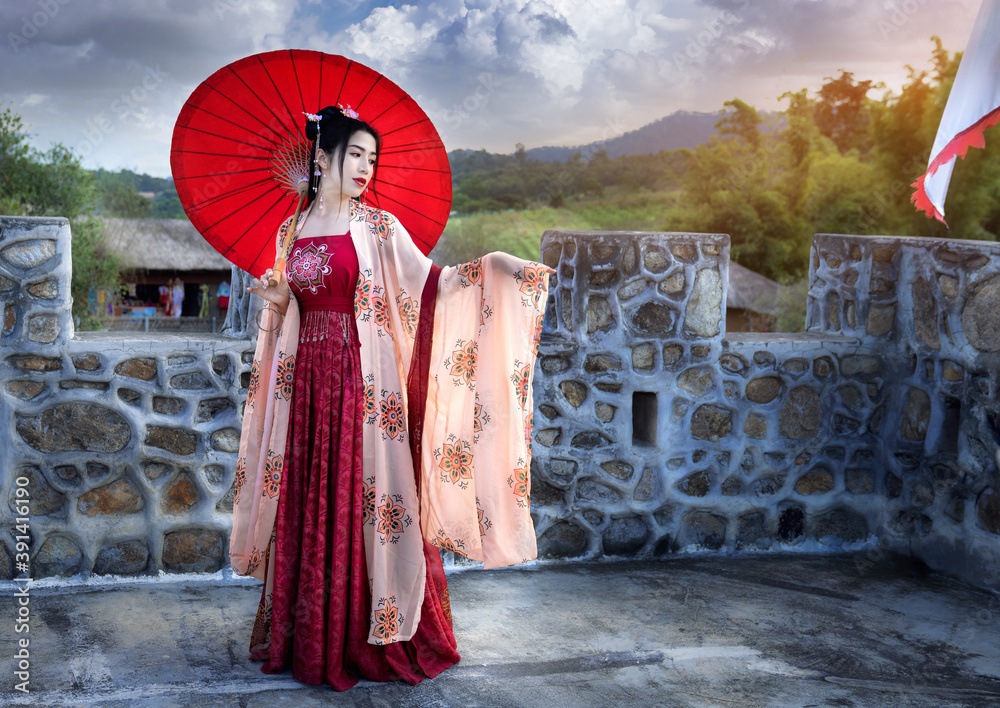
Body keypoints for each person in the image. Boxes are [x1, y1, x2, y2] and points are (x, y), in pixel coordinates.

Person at [230, 105, 551, 691]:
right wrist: (278, 300)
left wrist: (491, 270)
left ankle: (366, 639)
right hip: (305, 386)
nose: (366, 169)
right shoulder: (289, 231)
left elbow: (433, 286)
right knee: (311, 500)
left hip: (361, 384)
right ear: (321, 157)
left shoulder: (378, 229)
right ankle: (311, 637)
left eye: (372, 159)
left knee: (363, 500)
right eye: (355, 155)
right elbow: (292, 309)